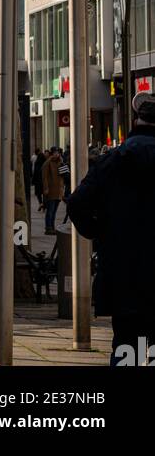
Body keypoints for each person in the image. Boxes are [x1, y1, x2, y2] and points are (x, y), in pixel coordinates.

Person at [68, 92, 155, 365]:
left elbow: (77, 203)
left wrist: (100, 232)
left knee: (127, 343)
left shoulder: (111, 161)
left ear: (135, 121)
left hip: (123, 270)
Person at [41, 146, 64, 233]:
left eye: (58, 153)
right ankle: (48, 227)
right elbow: (44, 177)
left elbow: (63, 176)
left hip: (59, 190)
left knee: (54, 211)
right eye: (55, 152)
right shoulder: (48, 163)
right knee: (50, 211)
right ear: (52, 153)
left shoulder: (61, 162)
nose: (56, 154)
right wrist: (46, 188)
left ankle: (52, 227)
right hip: (51, 190)